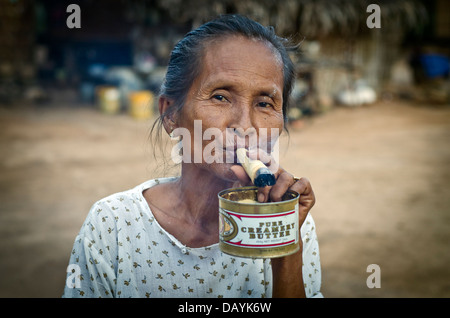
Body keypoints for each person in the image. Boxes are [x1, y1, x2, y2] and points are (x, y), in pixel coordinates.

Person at [63, 14, 322, 298]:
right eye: (220, 97)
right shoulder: (112, 226)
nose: (245, 126)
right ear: (171, 114)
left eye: (264, 103)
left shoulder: (288, 219)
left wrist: (283, 245)